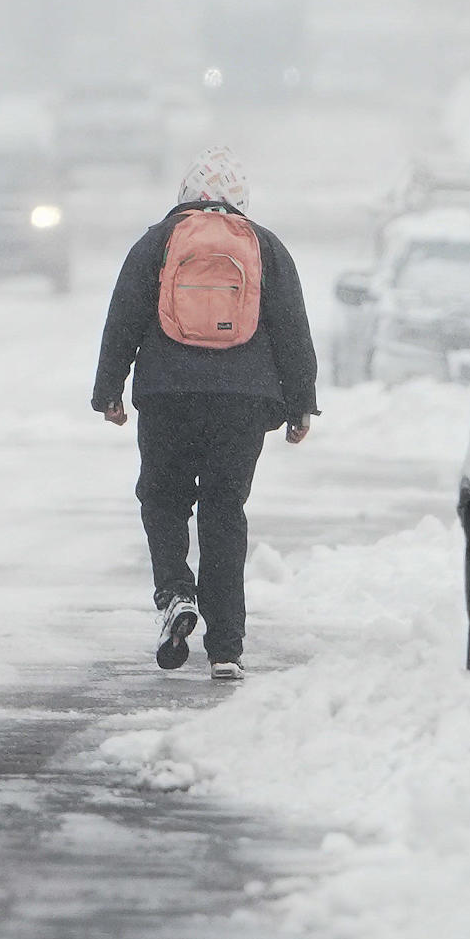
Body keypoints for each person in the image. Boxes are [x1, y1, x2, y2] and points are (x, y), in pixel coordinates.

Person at [92, 149, 316, 679]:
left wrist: (109, 390)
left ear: (184, 195)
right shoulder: (264, 246)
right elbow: (291, 327)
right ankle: (226, 648)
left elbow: (123, 315)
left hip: (168, 394)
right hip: (242, 401)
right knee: (224, 511)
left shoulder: (158, 242)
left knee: (163, 498)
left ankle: (175, 592)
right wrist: (301, 403)